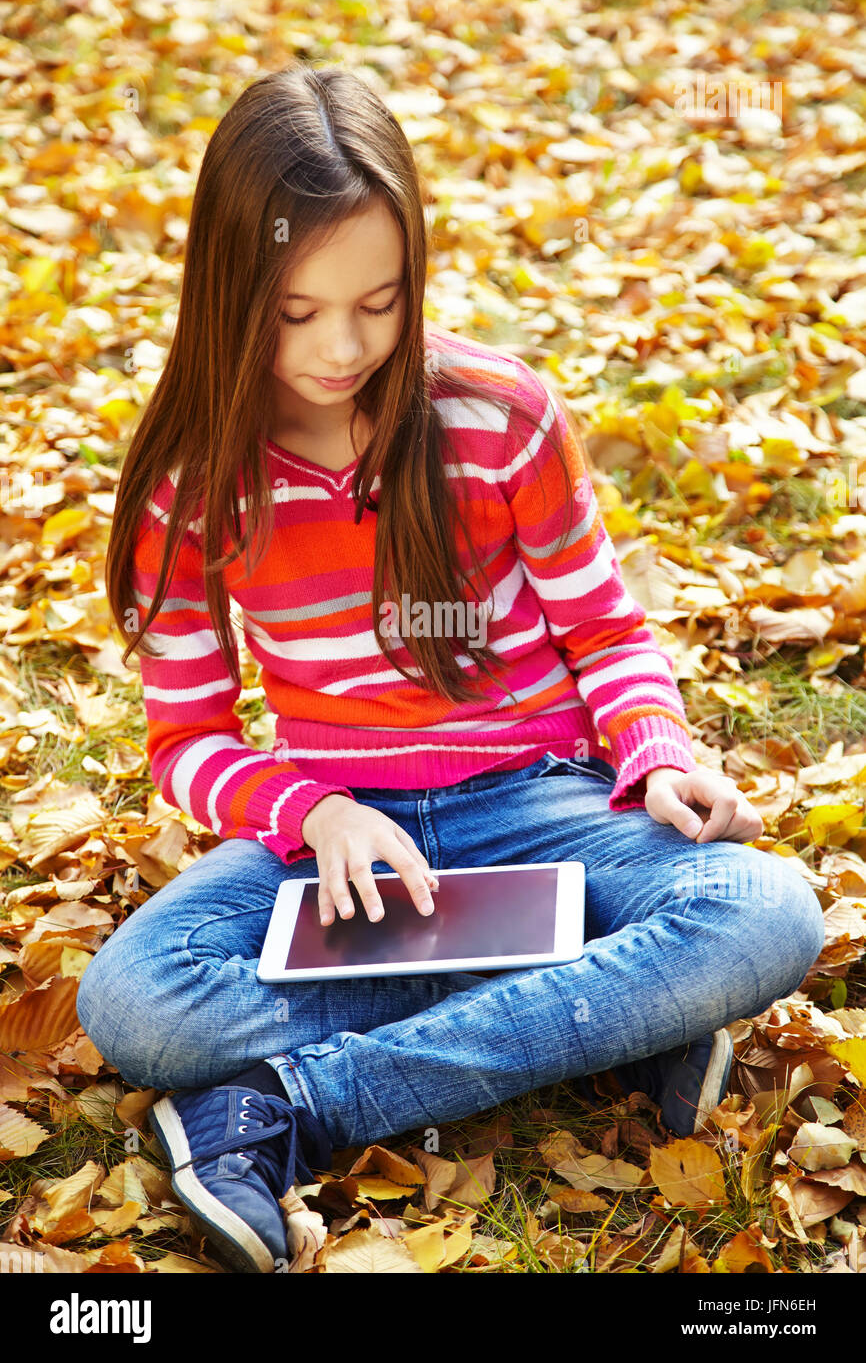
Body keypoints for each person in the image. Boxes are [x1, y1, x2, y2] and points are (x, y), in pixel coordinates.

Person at [76, 63, 825, 1274]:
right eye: (294, 311)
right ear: (228, 288)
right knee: (136, 1002)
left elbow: (605, 633)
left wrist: (657, 755)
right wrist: (313, 813)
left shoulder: (499, 416)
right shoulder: (192, 481)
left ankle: (287, 1109)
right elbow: (188, 743)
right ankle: (605, 1013)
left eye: (377, 303)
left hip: (541, 805)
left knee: (764, 911)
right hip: (343, 844)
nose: (341, 347)